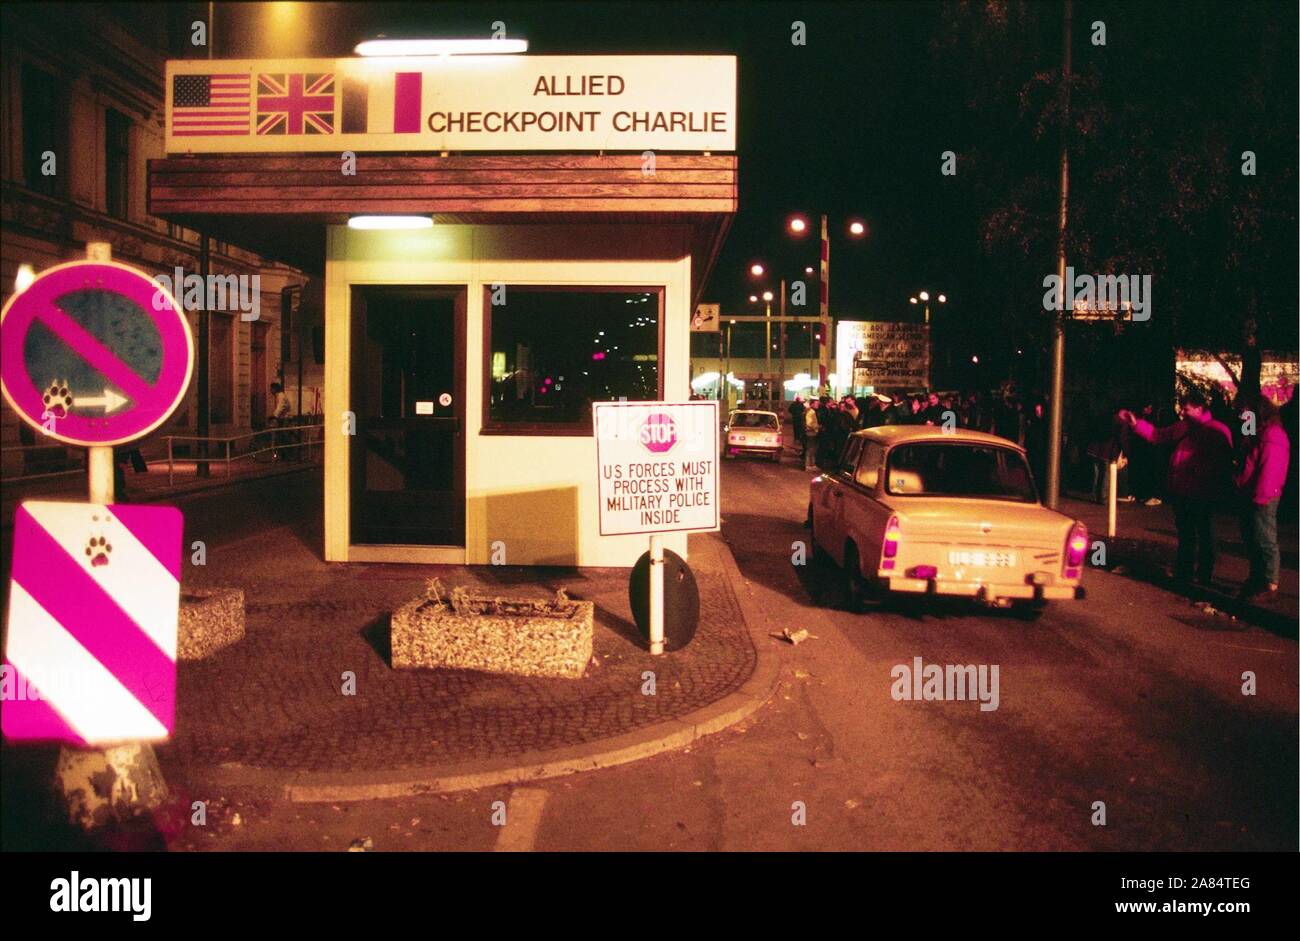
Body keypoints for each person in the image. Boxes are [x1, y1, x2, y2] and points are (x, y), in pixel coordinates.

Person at [1120, 389, 1234, 586]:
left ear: (1200, 409)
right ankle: (1186, 573)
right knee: (1188, 533)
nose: (1183, 412)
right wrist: (1136, 424)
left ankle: (1202, 574)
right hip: (1184, 489)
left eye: (1187, 409)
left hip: (1201, 489)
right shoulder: (1185, 427)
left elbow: (1220, 462)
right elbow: (1158, 435)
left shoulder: (1216, 431)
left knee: (1202, 533)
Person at [1233, 396, 1290, 603]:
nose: (1242, 417)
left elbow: (1271, 468)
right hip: (1249, 491)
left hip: (1262, 493)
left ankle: (1269, 583)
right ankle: (1256, 578)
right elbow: (1246, 450)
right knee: (1251, 537)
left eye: (1246, 413)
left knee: (1264, 538)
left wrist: (1262, 494)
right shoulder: (1256, 432)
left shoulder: (1272, 435)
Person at [803, 398, 820, 470]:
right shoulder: (811, 412)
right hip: (811, 433)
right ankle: (809, 465)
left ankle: (812, 464)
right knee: (811, 449)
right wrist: (817, 427)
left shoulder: (811, 411)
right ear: (812, 404)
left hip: (811, 432)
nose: (818, 405)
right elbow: (809, 423)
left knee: (812, 449)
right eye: (816, 404)